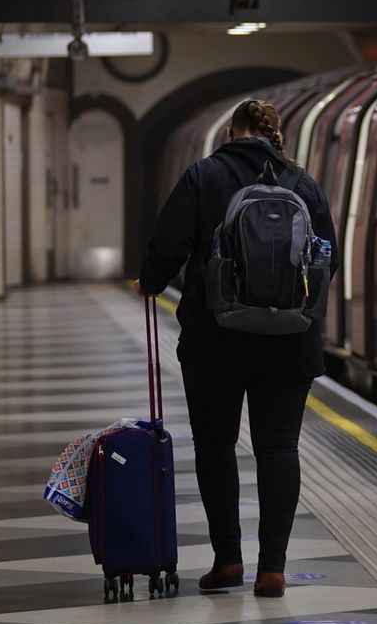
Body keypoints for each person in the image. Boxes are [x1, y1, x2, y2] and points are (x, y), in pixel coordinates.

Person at [137, 99, 338, 598]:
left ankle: (227, 560)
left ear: (231, 133)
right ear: (273, 135)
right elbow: (326, 258)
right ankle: (273, 570)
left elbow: (169, 243)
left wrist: (151, 282)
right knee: (278, 448)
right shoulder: (303, 184)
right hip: (289, 341)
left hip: (215, 339)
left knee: (215, 447)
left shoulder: (203, 176)